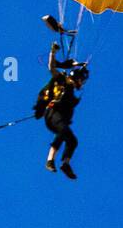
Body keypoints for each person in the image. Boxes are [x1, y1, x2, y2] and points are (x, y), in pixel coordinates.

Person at [34, 41, 88, 179]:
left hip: (59, 118)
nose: (82, 84)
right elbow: (51, 67)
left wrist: (77, 65)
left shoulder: (71, 93)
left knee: (73, 140)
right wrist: (53, 51)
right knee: (63, 131)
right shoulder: (61, 79)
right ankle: (50, 160)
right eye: (82, 80)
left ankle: (65, 163)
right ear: (77, 78)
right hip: (52, 113)